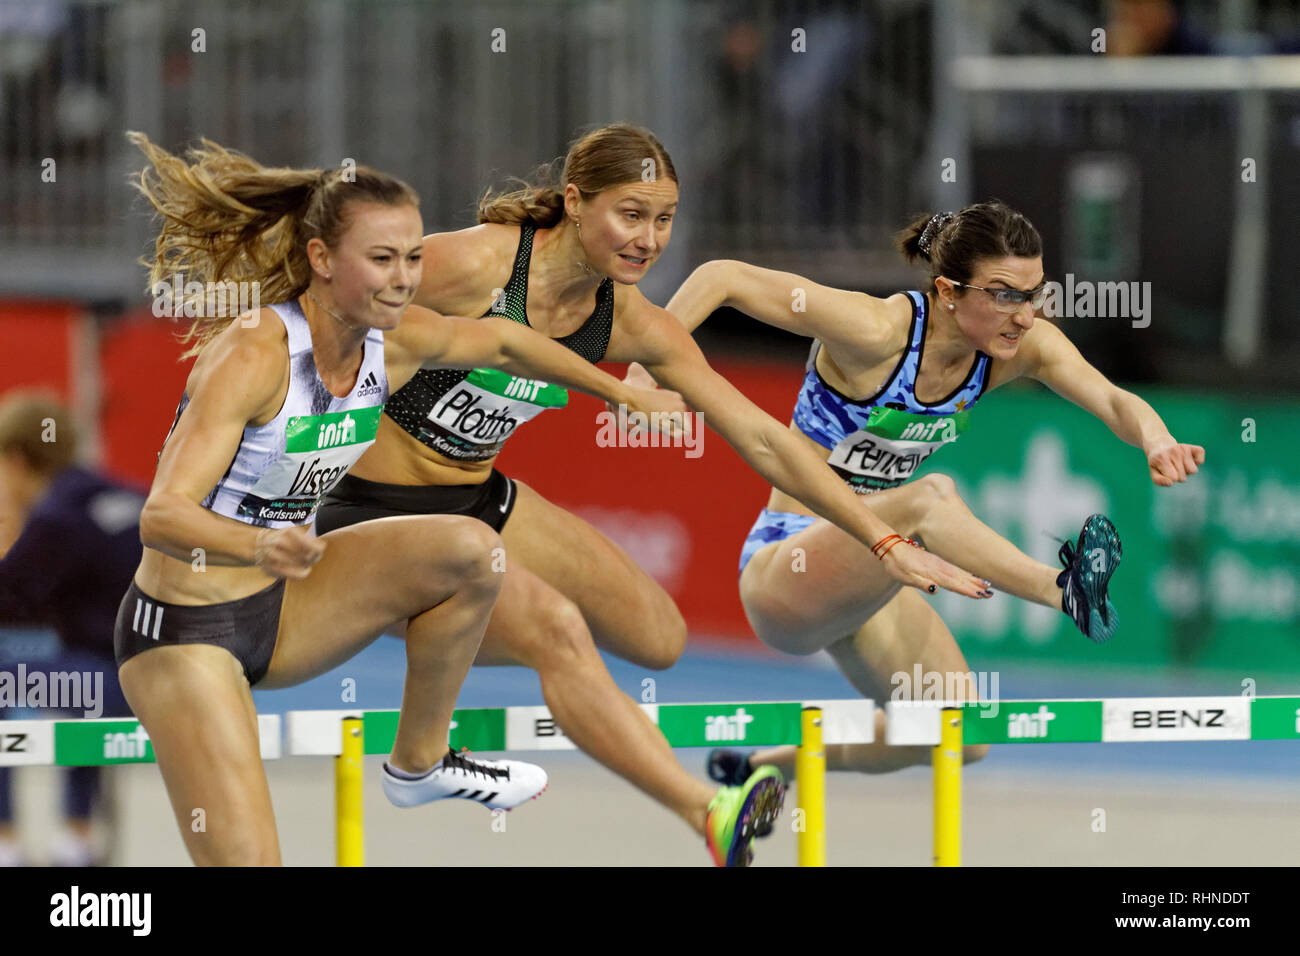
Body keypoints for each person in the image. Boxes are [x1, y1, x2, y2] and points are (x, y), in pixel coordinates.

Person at [315, 123, 990, 867]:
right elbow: (328, 301)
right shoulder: (476, 265)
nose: (649, 239)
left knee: (658, 639)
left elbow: (764, 439)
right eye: (630, 215)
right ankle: (705, 811)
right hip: (368, 500)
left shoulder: (629, 320)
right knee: (557, 633)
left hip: (477, 494)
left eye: (664, 219)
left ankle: (437, 615)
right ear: (574, 201)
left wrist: (879, 536)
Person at [119, 132, 678, 865]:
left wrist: (615, 389)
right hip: (189, 631)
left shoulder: (397, 339)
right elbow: (160, 517)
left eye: (414, 259)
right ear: (322, 261)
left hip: (285, 612)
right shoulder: (256, 354)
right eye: (383, 261)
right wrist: (258, 542)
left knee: (472, 550)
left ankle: (419, 763)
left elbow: (508, 346)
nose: (407, 279)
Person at [659, 201, 1204, 785]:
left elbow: (1114, 399)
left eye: (1034, 293)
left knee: (958, 735)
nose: (1023, 315)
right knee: (931, 497)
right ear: (948, 290)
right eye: (1003, 294)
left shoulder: (1023, 349)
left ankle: (759, 771)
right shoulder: (875, 331)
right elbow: (723, 277)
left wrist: (1156, 438)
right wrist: (647, 366)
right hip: (786, 570)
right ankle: (1062, 590)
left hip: (876, 571)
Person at [0, 392, 138, 866]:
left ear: (16, 460)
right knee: (85, 678)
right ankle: (75, 836)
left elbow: (9, 599)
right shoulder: (131, 495)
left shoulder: (55, 516)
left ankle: (6, 842)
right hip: (171, 680)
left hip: (116, 686)